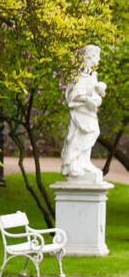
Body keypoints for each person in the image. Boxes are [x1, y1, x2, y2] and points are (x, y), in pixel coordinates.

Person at [60, 44, 105, 183]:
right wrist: (87, 99)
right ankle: (73, 165)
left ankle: (84, 162)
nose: (98, 59)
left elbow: (93, 91)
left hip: (89, 111)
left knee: (92, 133)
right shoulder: (80, 74)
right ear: (90, 57)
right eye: (97, 56)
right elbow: (74, 95)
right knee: (80, 135)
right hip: (81, 111)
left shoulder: (92, 74)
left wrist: (99, 90)